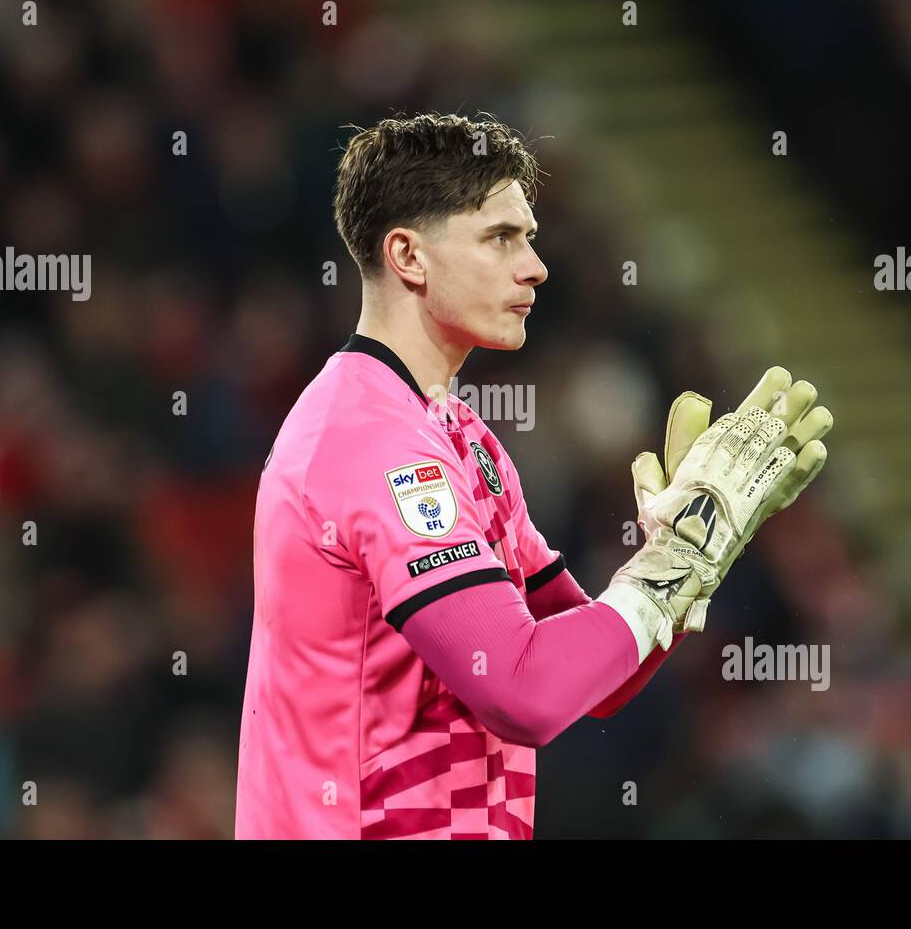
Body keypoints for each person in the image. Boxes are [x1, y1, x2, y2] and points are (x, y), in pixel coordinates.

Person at [235, 112, 832, 839]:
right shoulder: (370, 444)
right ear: (408, 257)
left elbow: (589, 675)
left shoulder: (461, 437)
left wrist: (694, 551)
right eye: (500, 238)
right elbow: (523, 693)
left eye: (531, 238)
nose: (535, 266)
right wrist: (673, 568)